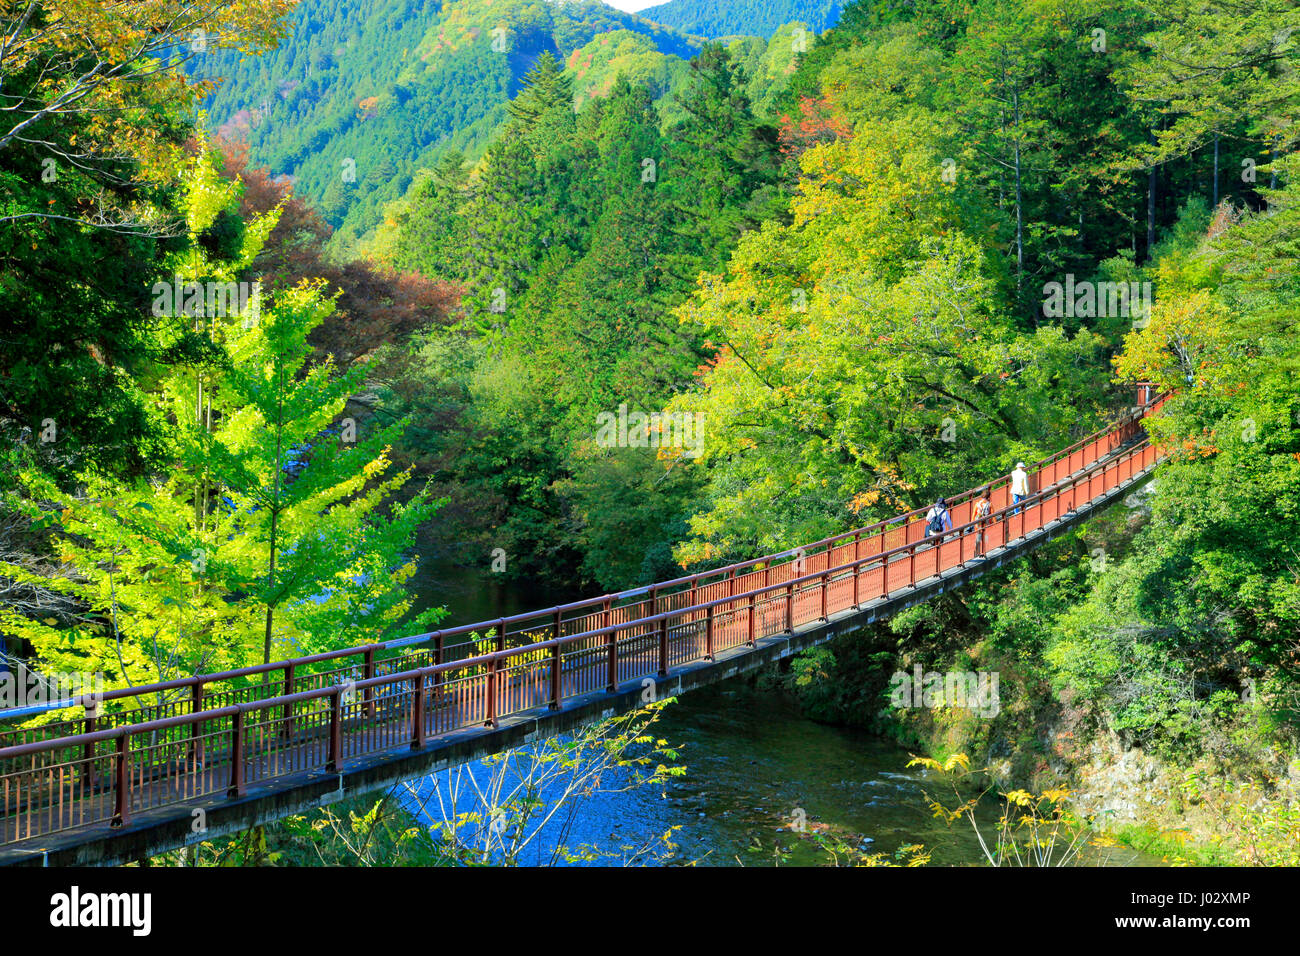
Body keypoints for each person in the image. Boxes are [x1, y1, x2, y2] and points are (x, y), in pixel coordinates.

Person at [972, 486, 992, 555]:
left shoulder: (977, 504)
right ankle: (984, 552)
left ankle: (976, 552)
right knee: (985, 537)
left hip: (977, 523)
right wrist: (995, 524)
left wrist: (973, 524)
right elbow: (993, 516)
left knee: (977, 537)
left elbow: (973, 515)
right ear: (988, 497)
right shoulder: (990, 504)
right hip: (986, 523)